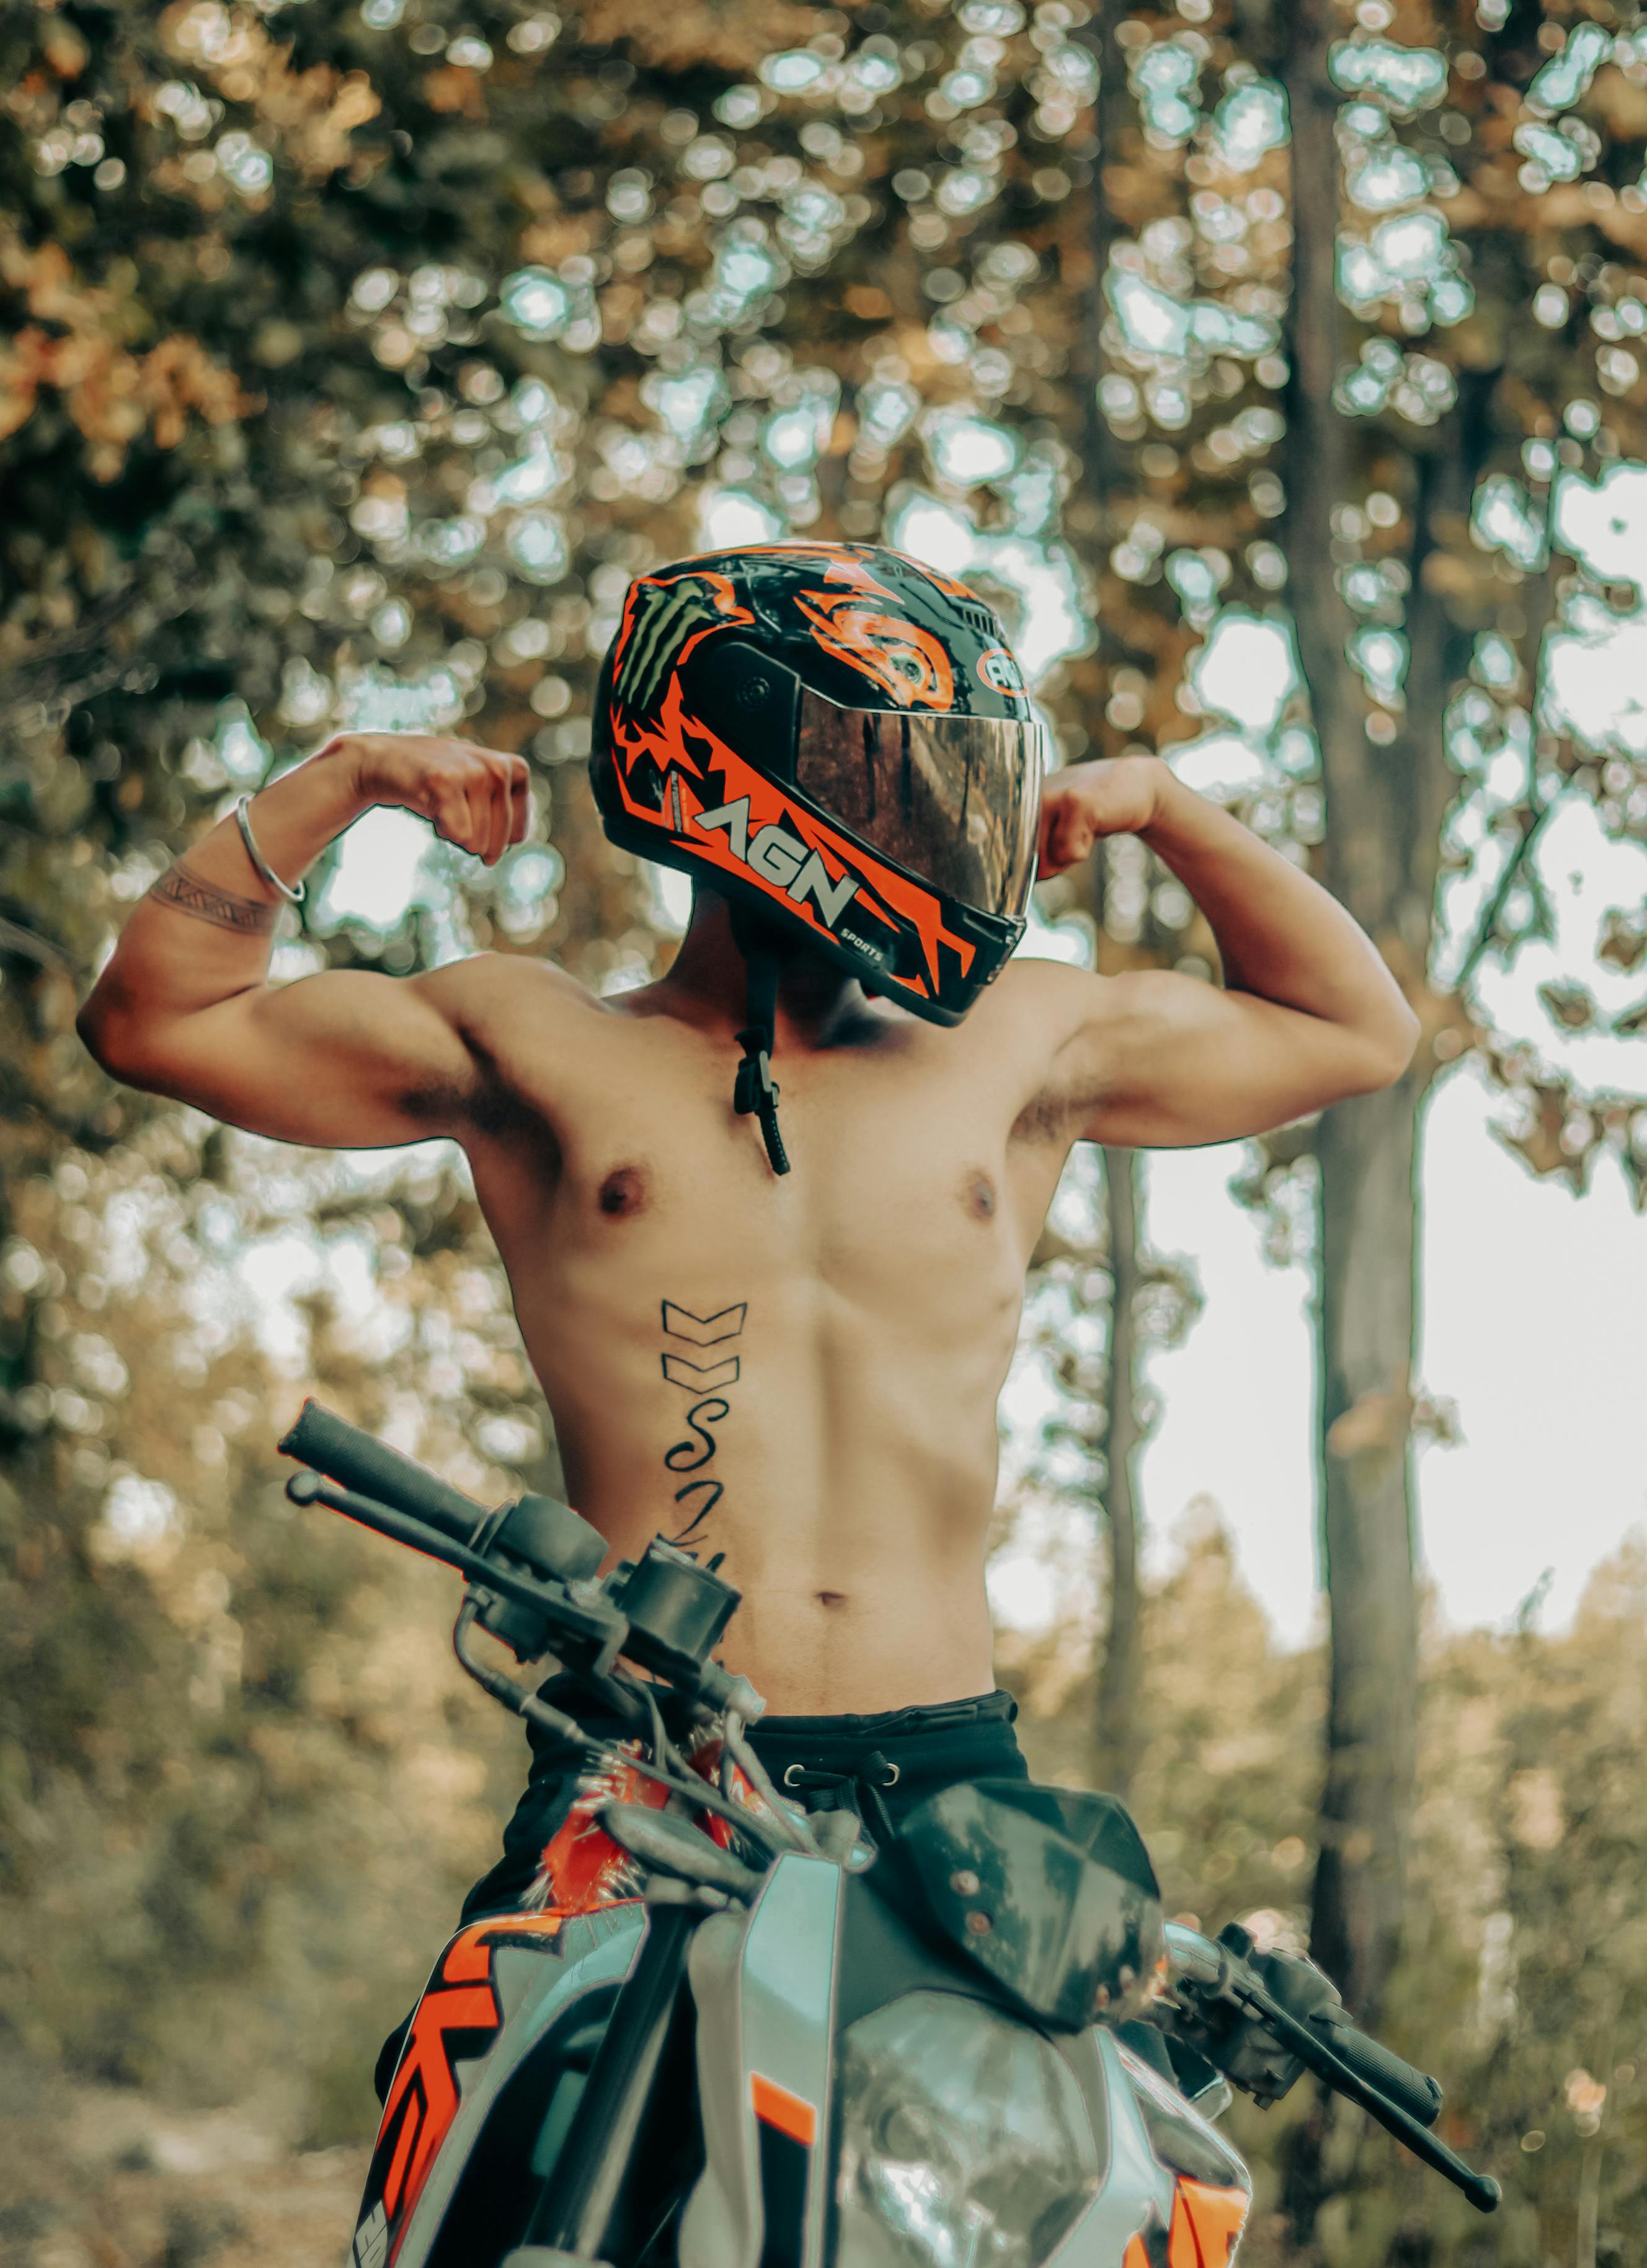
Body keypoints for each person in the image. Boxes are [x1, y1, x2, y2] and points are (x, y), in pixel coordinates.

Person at [77, 542, 1418, 2098]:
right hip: (646, 1770)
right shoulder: (534, 1044)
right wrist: (345, 778)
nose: (930, 816)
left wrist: (1169, 811)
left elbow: (1355, 1028)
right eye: (880, 773)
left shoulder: (1022, 1041)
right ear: (732, 778)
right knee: (489, 2160)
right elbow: (156, 1017)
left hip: (951, 1781)